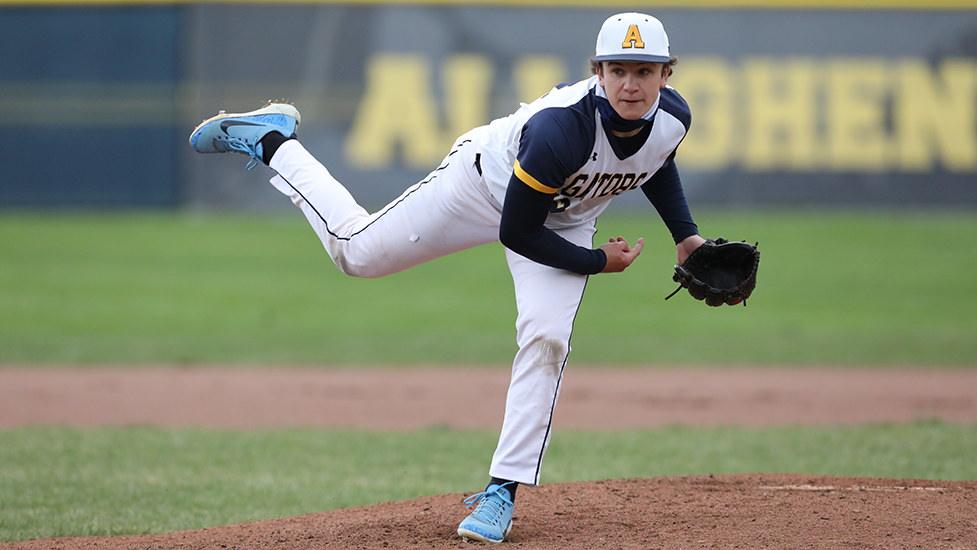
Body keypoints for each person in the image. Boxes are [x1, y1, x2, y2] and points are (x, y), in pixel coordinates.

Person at [190, 11, 705, 544]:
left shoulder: (673, 118)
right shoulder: (561, 128)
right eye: (618, 69)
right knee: (356, 253)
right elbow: (520, 233)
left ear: (667, 74)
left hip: (568, 217)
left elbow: (653, 159)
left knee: (547, 336)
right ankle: (276, 141)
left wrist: (685, 236)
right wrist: (598, 263)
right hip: (482, 189)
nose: (630, 83)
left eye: (644, 70)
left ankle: (500, 492)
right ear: (597, 71)